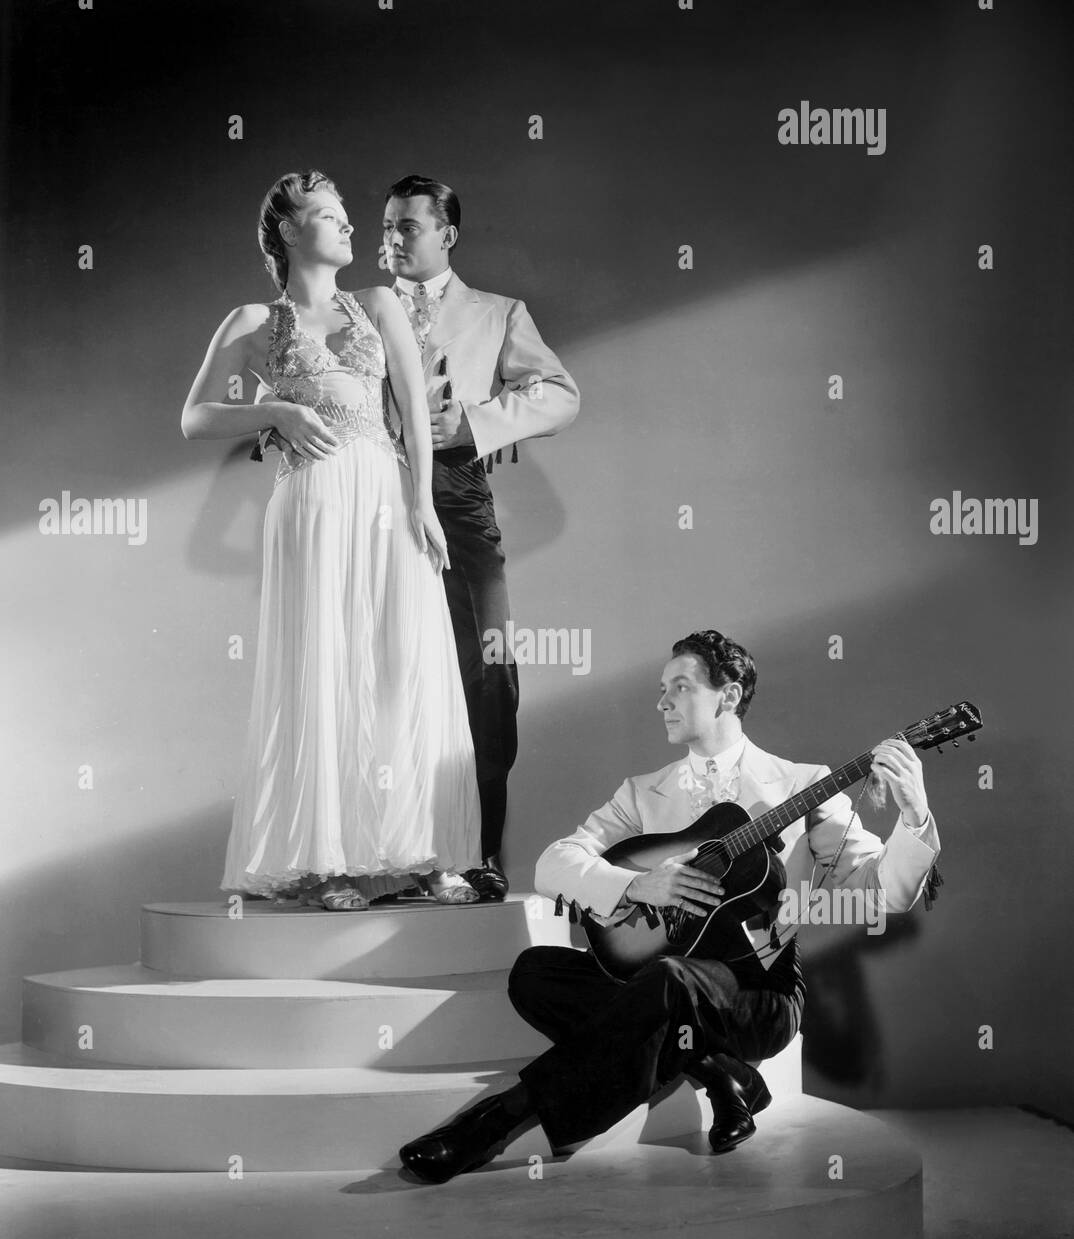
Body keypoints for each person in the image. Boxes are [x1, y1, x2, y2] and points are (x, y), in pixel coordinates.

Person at [398, 629, 941, 1182]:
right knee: (535, 972)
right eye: (662, 688)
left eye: (680, 687)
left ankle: (494, 1123)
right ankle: (723, 1074)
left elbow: (887, 893)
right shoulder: (643, 792)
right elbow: (552, 865)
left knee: (668, 980)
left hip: (758, 991)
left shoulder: (804, 785)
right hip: (663, 980)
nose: (662, 702)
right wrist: (636, 887)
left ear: (727, 697)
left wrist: (914, 815)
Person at [182, 170, 481, 910]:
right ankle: (333, 862)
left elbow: (412, 412)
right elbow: (195, 417)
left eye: (347, 216)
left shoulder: (377, 303)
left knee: (401, 667)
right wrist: (276, 410)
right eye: (329, 215)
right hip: (312, 506)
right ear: (288, 232)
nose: (351, 228)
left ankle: (420, 853)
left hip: (383, 493)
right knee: (326, 671)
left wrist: (423, 505)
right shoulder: (253, 322)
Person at [383, 175, 581, 901]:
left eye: (408, 225)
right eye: (386, 226)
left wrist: (475, 422)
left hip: (457, 498)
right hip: (374, 502)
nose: (392, 239)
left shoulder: (497, 314)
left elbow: (561, 395)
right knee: (382, 674)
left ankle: (477, 855)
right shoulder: (354, 312)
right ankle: (387, 860)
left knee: (488, 672)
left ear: (447, 234)